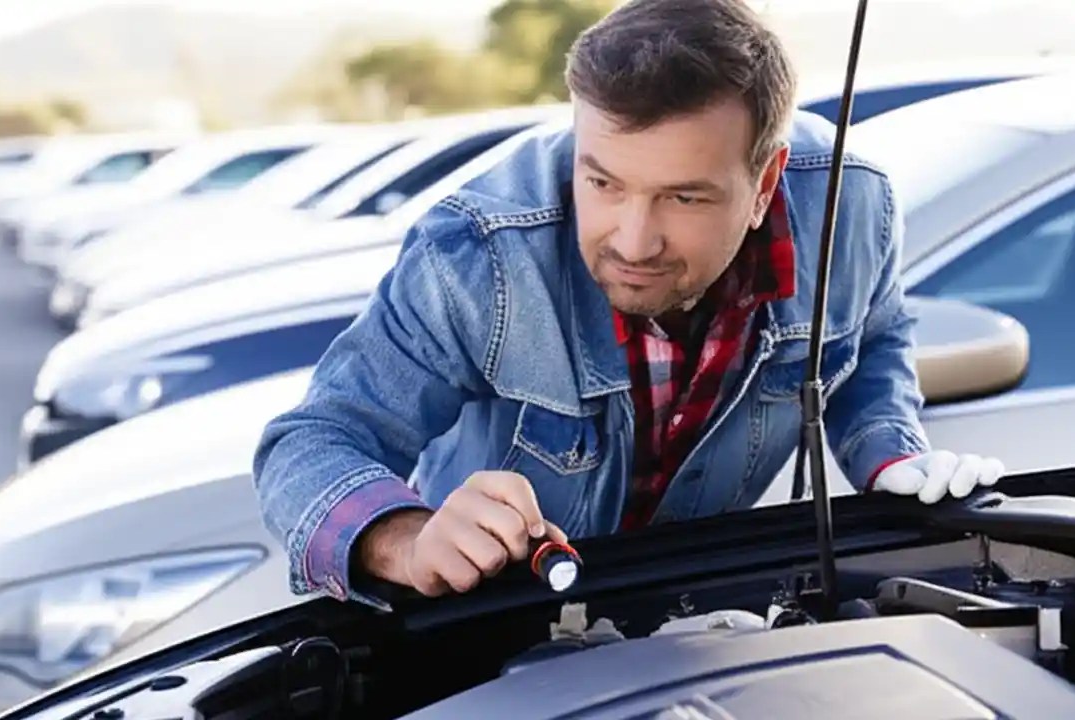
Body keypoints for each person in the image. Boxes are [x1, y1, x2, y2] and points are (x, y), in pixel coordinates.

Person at [252, 0, 1005, 608]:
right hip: (497, 637)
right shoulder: (478, 254)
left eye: (683, 196)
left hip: (706, 623)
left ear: (766, 182)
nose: (634, 241)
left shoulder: (849, 205)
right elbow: (312, 440)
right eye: (603, 182)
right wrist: (407, 538)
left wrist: (888, 449)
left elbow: (870, 339)